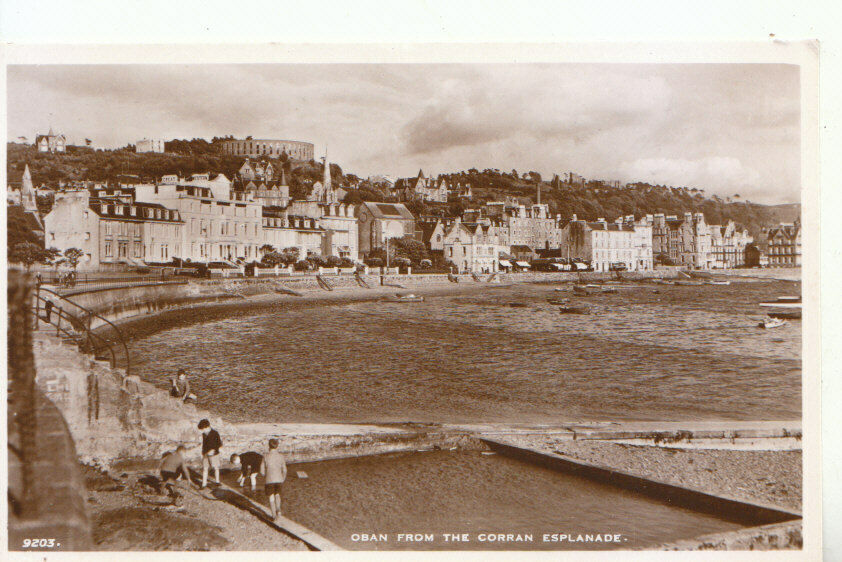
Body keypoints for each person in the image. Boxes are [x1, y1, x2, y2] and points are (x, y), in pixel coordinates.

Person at [262, 438, 287, 521]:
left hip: (269, 480)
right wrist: (283, 478)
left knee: (271, 497)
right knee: (277, 495)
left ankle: (273, 515)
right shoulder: (281, 456)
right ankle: (278, 510)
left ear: (268, 446)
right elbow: (284, 470)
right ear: (277, 446)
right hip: (279, 479)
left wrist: (266, 475)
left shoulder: (265, 456)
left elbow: (261, 471)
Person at [198, 418, 222, 488]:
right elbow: (204, 444)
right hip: (205, 454)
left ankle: (217, 481)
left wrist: (214, 450)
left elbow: (219, 444)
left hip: (214, 454)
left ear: (207, 427)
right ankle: (204, 484)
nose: (202, 431)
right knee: (205, 468)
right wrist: (203, 453)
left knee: (216, 468)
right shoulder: (203, 434)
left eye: (203, 429)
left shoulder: (215, 433)